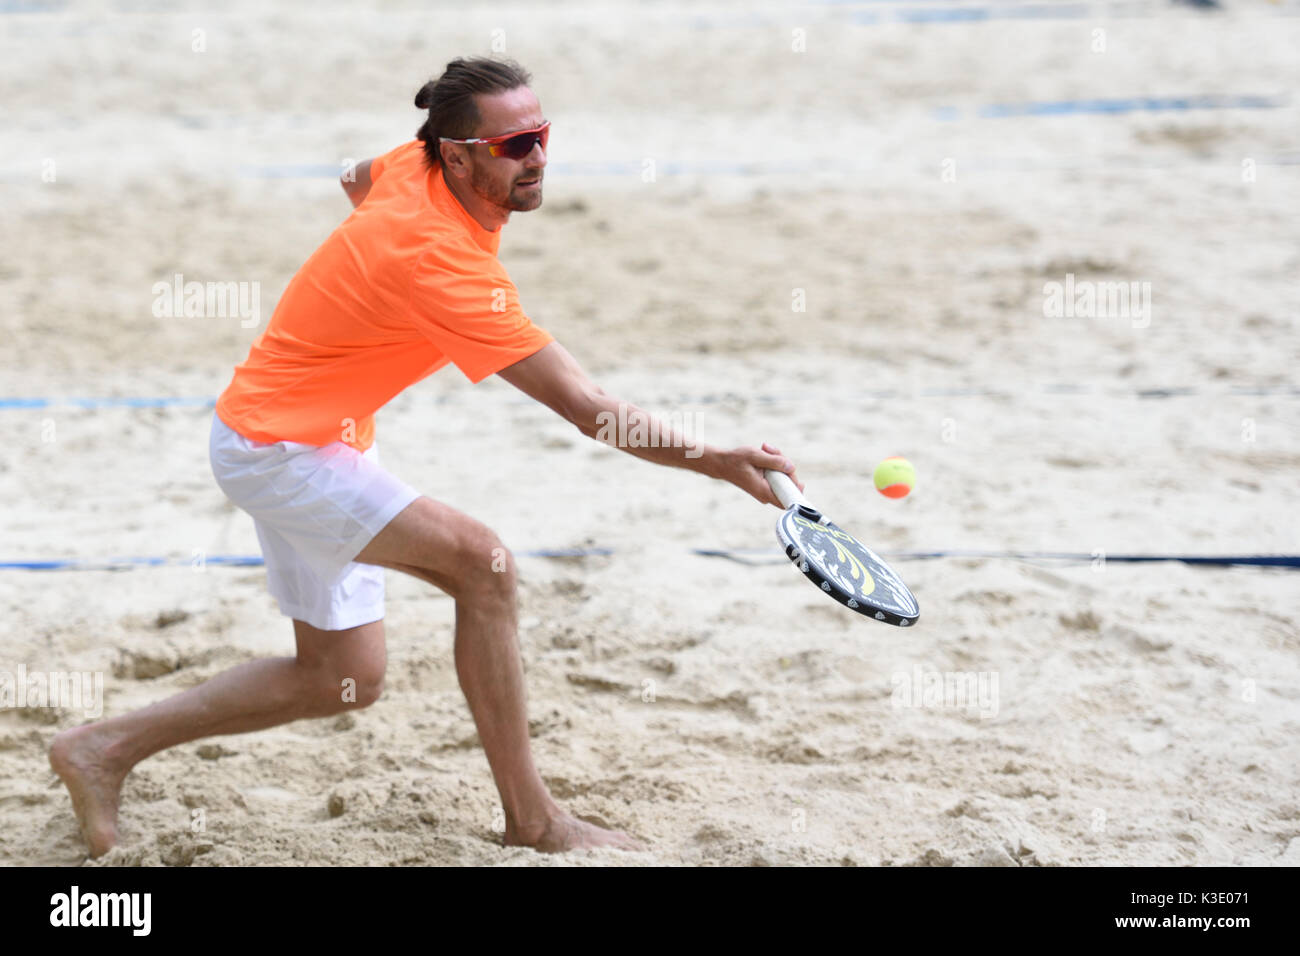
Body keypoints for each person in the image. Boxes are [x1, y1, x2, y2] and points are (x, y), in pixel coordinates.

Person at [50, 56, 802, 857]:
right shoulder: (443, 264)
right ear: (457, 155)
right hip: (280, 452)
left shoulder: (411, 165)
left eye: (542, 134)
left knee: (340, 679)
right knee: (487, 567)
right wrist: (715, 457)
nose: (539, 156)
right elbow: (590, 411)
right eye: (514, 144)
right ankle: (535, 821)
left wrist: (361, 289)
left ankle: (102, 748)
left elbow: (353, 176)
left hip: (290, 433)